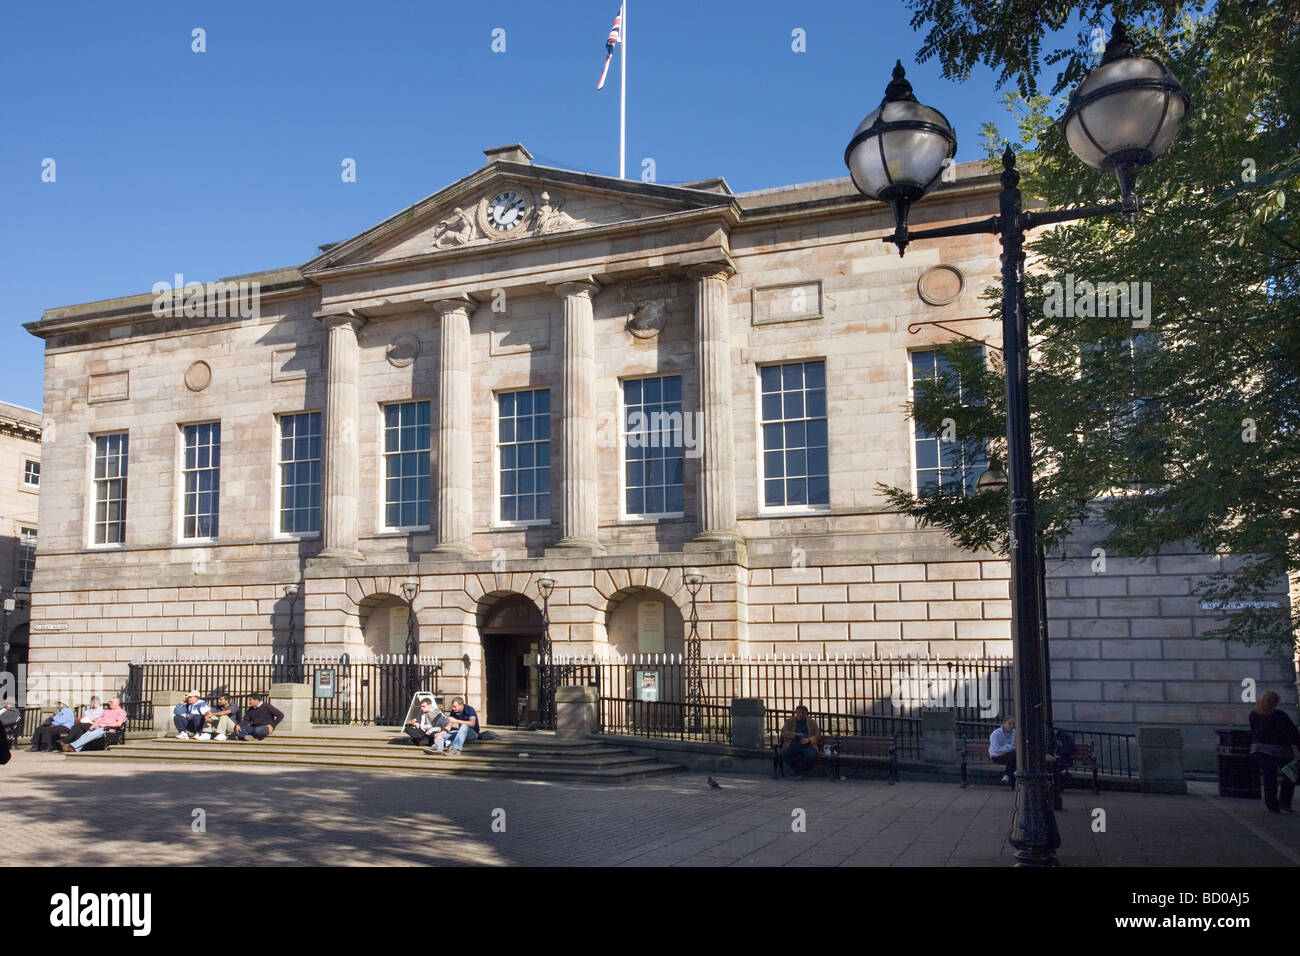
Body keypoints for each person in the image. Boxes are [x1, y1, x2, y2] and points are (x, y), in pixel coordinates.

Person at [1249, 690, 1300, 814]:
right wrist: (1297, 751)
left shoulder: (1253, 715)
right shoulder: (1280, 715)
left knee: (1269, 778)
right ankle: (1284, 802)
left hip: (1259, 749)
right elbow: (1291, 734)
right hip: (1280, 750)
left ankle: (1272, 806)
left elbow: (1255, 731)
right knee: (1290, 774)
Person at [60, 697, 127, 752]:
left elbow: (118, 724)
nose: (109, 703)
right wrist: (94, 725)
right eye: (109, 702)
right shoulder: (107, 711)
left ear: (117, 704)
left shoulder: (121, 712)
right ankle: (74, 749)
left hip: (108, 729)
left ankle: (72, 746)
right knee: (86, 734)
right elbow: (99, 719)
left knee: (90, 734)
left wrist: (106, 725)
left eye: (111, 702)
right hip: (98, 727)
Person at [780, 704, 822, 776]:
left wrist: (809, 740)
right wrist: (795, 734)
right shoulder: (790, 721)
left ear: (806, 714)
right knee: (785, 754)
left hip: (808, 744)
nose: (800, 715)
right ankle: (800, 771)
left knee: (811, 756)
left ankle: (800, 772)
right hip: (793, 743)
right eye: (798, 713)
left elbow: (818, 735)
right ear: (796, 713)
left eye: (802, 713)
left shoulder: (812, 722)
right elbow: (784, 732)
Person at [989, 716, 1016, 784]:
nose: (1012, 726)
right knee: (1012, 756)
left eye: (1013, 724)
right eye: (1009, 723)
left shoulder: (1014, 733)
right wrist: (1008, 748)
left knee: (1013, 757)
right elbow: (996, 749)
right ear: (1004, 723)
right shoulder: (995, 734)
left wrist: (1005, 751)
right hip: (996, 756)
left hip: (1007, 755)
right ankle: (1010, 779)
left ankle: (1008, 777)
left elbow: (1013, 746)